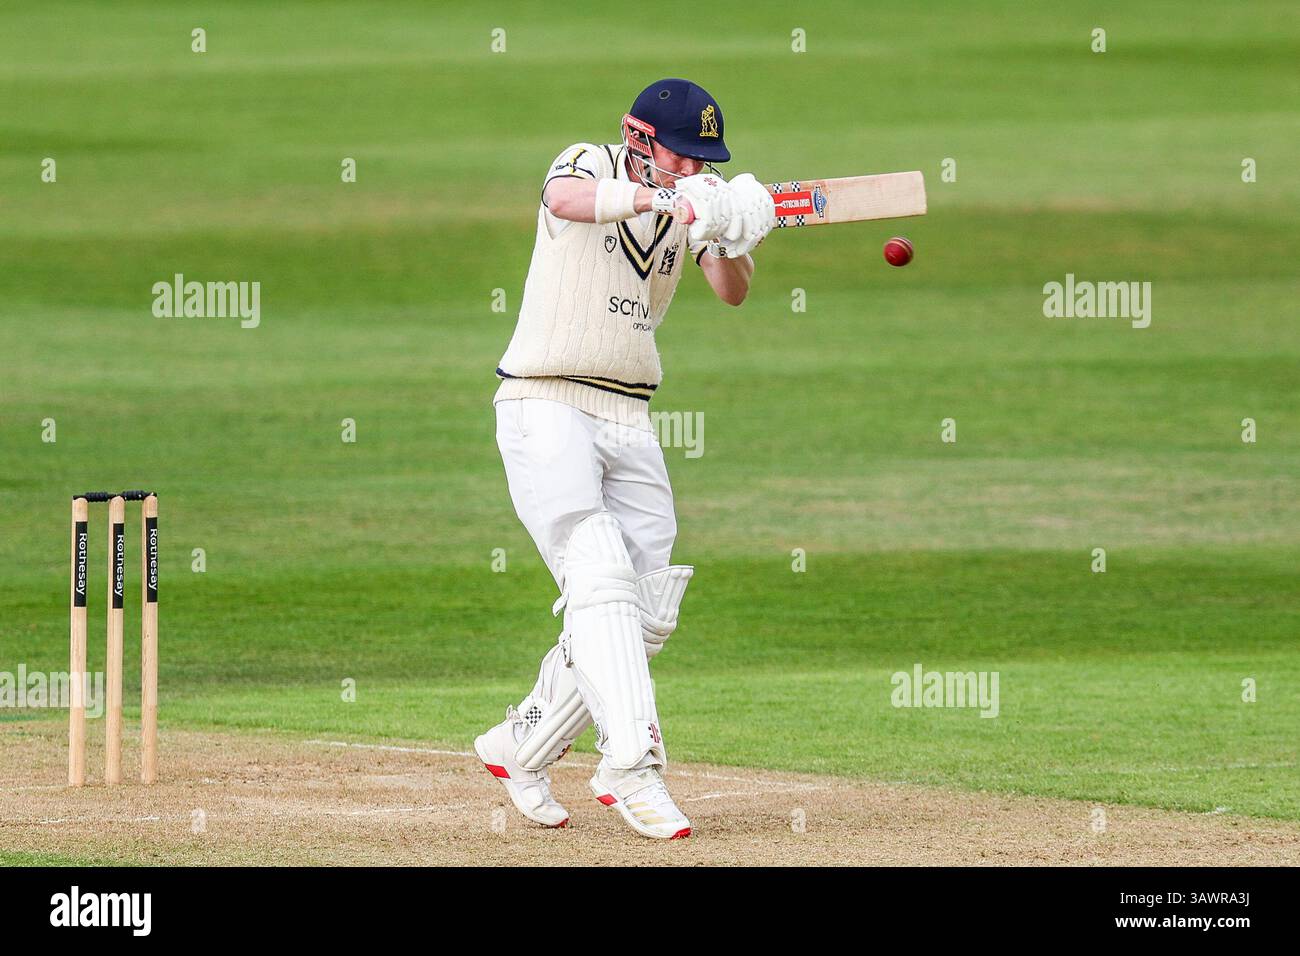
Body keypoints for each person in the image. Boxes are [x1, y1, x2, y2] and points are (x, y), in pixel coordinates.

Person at [474, 78, 776, 839]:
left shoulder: (693, 196)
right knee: (598, 568)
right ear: (638, 138)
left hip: (629, 412)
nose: (692, 169)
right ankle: (629, 765)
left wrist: (734, 233)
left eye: (705, 160)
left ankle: (523, 743)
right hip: (544, 400)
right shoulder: (590, 160)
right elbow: (564, 202)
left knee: (646, 609)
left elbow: (730, 291)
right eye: (683, 155)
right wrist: (660, 202)